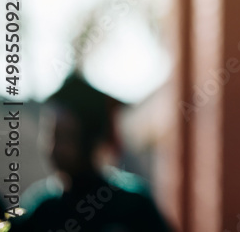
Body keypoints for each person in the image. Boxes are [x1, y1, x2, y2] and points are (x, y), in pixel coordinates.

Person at [11, 72, 171, 232]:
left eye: (66, 137)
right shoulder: (41, 211)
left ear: (90, 140)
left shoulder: (130, 206)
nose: (55, 147)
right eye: (52, 135)